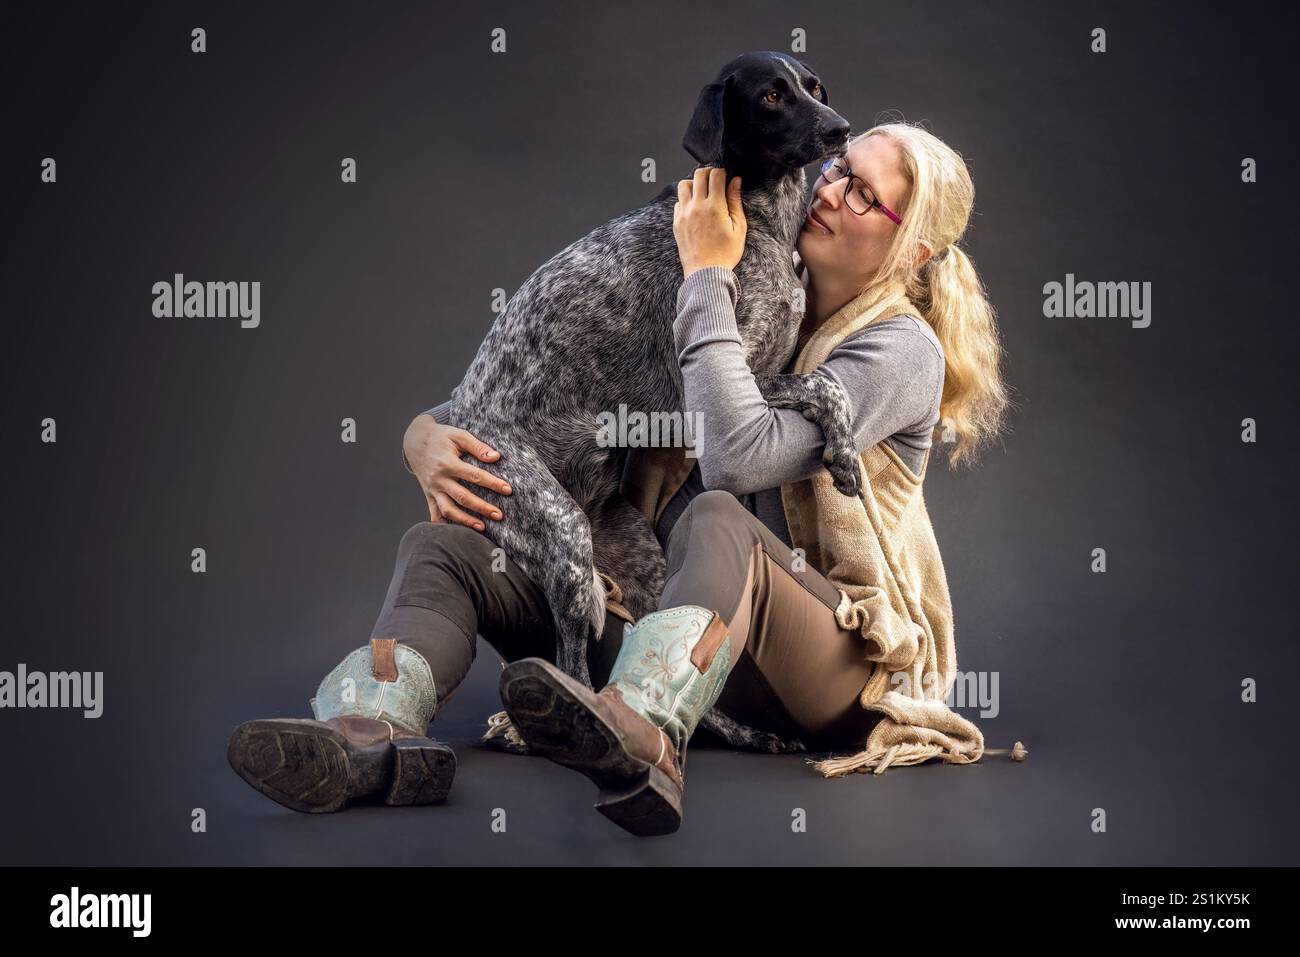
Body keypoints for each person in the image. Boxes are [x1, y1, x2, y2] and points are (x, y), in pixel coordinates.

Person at [227, 122, 1009, 832]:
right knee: (445, 548)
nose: (832, 191)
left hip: (833, 667)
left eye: (867, 195)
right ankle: (372, 736)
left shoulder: (899, 350)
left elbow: (736, 453)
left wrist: (706, 274)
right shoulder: (774, 294)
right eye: (840, 168)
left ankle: (646, 737)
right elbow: (543, 393)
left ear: (914, 253)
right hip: (694, 642)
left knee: (716, 521)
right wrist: (424, 434)